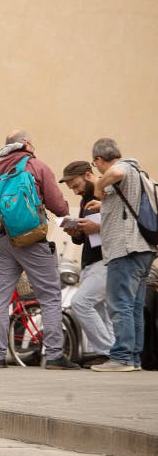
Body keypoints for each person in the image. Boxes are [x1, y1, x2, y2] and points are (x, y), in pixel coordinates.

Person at [0, 130, 78, 369]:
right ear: (26, 144)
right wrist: (59, 214)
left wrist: (1, 226)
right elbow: (58, 205)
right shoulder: (37, 166)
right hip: (32, 239)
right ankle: (54, 355)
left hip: (3, 241)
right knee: (50, 296)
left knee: (0, 299)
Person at [87, 138, 157, 372]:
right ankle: (133, 358)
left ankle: (122, 357)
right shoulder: (140, 175)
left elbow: (115, 172)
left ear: (98, 159)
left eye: (96, 165)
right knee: (133, 306)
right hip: (143, 249)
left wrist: (98, 187)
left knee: (119, 304)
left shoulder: (125, 167)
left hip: (126, 249)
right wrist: (103, 204)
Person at [59, 161, 113, 367]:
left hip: (105, 260)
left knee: (80, 302)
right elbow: (87, 237)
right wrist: (76, 233)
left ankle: (109, 351)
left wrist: (95, 227)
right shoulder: (85, 201)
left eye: (75, 185)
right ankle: (112, 353)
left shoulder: (106, 193)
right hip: (91, 261)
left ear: (89, 175)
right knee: (99, 309)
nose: (75, 191)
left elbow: (120, 225)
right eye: (71, 187)